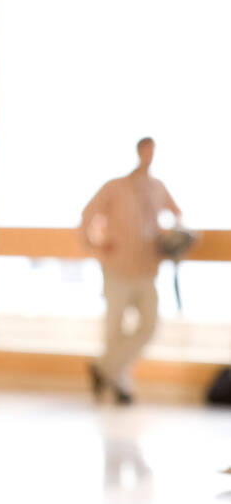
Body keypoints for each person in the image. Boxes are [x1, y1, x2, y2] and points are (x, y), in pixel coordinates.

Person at [80, 137, 182, 405]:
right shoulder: (115, 187)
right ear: (139, 152)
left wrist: (169, 238)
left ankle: (103, 368)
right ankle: (119, 383)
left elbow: (177, 215)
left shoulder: (158, 188)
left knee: (148, 326)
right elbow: (87, 216)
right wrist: (96, 244)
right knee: (114, 329)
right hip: (117, 268)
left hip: (147, 269)